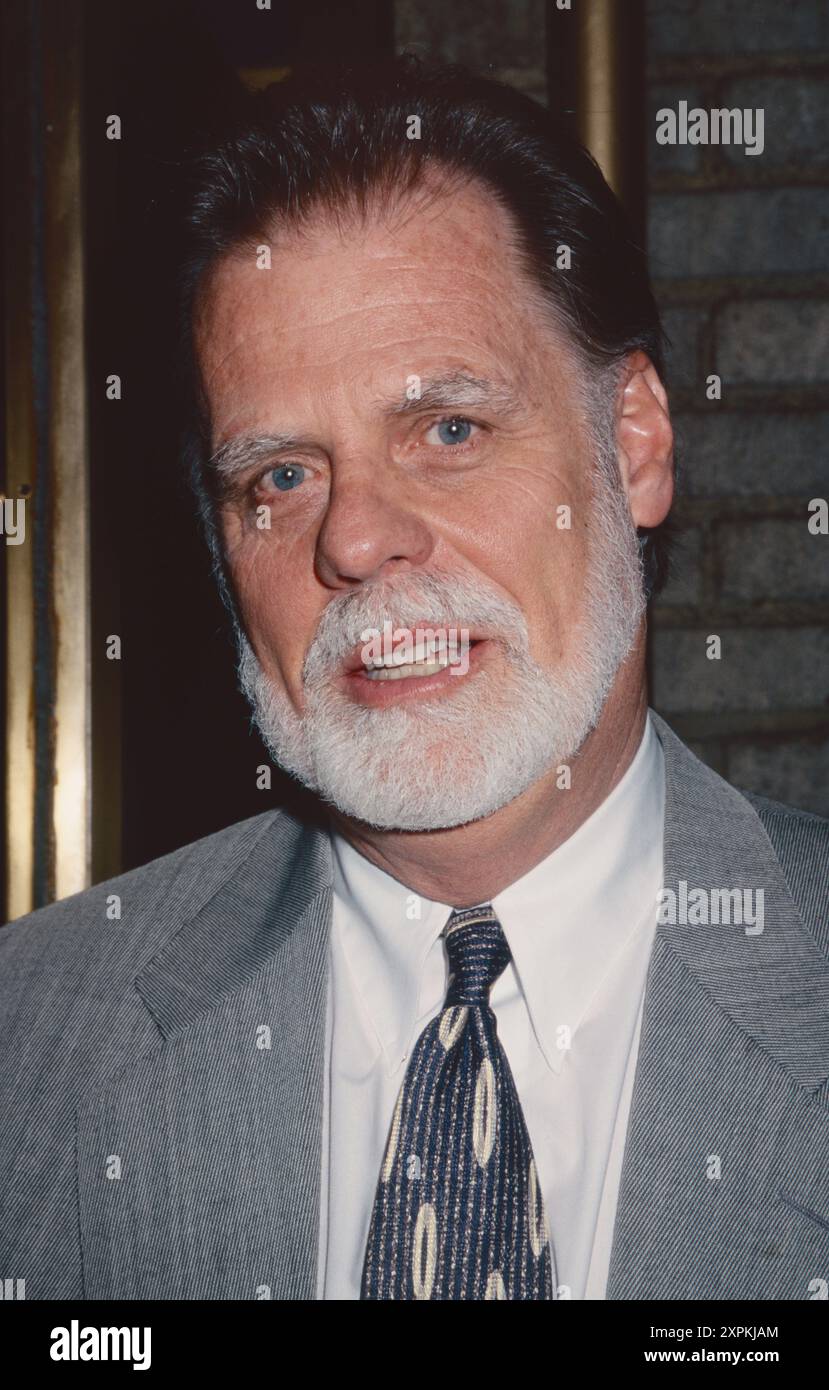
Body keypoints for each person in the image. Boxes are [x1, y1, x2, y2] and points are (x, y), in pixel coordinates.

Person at [1, 58, 826, 1302]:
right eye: (279, 474)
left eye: (448, 430)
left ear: (634, 442)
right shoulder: (30, 1039)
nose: (353, 539)